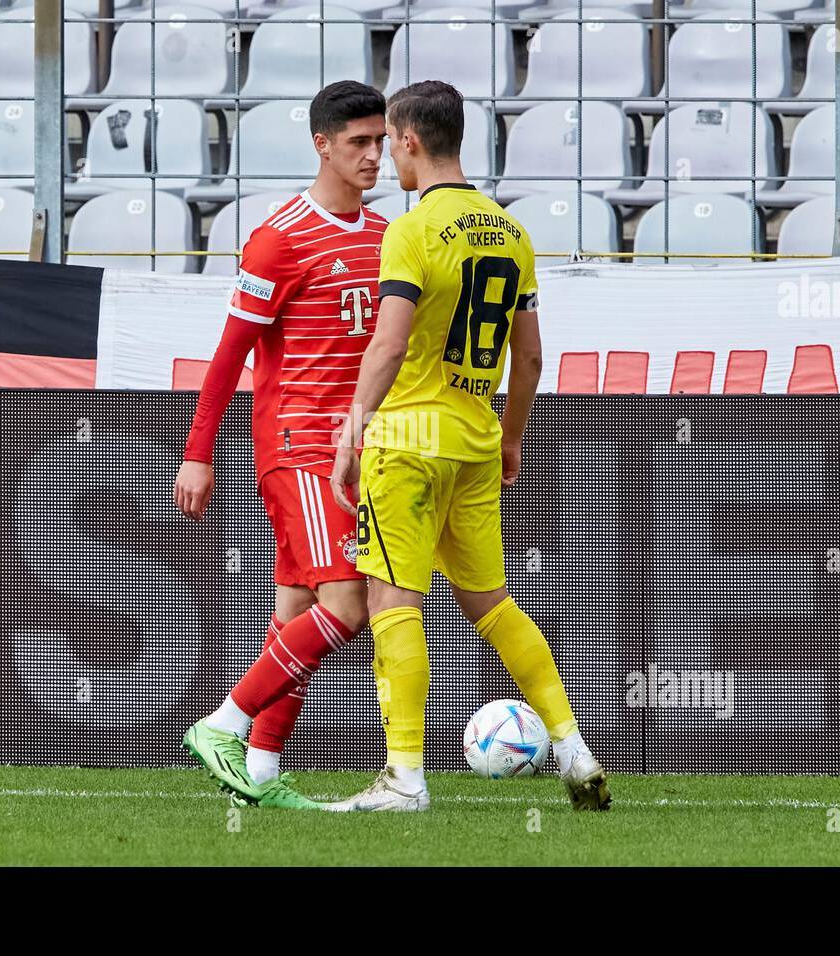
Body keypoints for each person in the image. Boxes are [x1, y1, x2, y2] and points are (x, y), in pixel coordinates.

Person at [328, 80, 611, 812]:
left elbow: (389, 344)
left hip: (410, 442)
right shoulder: (509, 233)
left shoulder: (411, 230)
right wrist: (511, 437)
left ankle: (405, 778)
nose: (388, 155)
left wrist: (355, 422)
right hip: (477, 439)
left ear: (411, 140)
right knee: (491, 603)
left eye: (389, 141)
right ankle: (575, 751)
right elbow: (533, 359)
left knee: (393, 600)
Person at [176, 81, 389, 809]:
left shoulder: (389, 236)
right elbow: (231, 351)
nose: (373, 156)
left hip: (360, 449)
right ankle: (224, 724)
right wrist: (198, 451)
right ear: (322, 145)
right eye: (358, 142)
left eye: (381, 142)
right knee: (349, 604)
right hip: (298, 445)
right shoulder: (280, 238)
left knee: (299, 611)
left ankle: (260, 772)